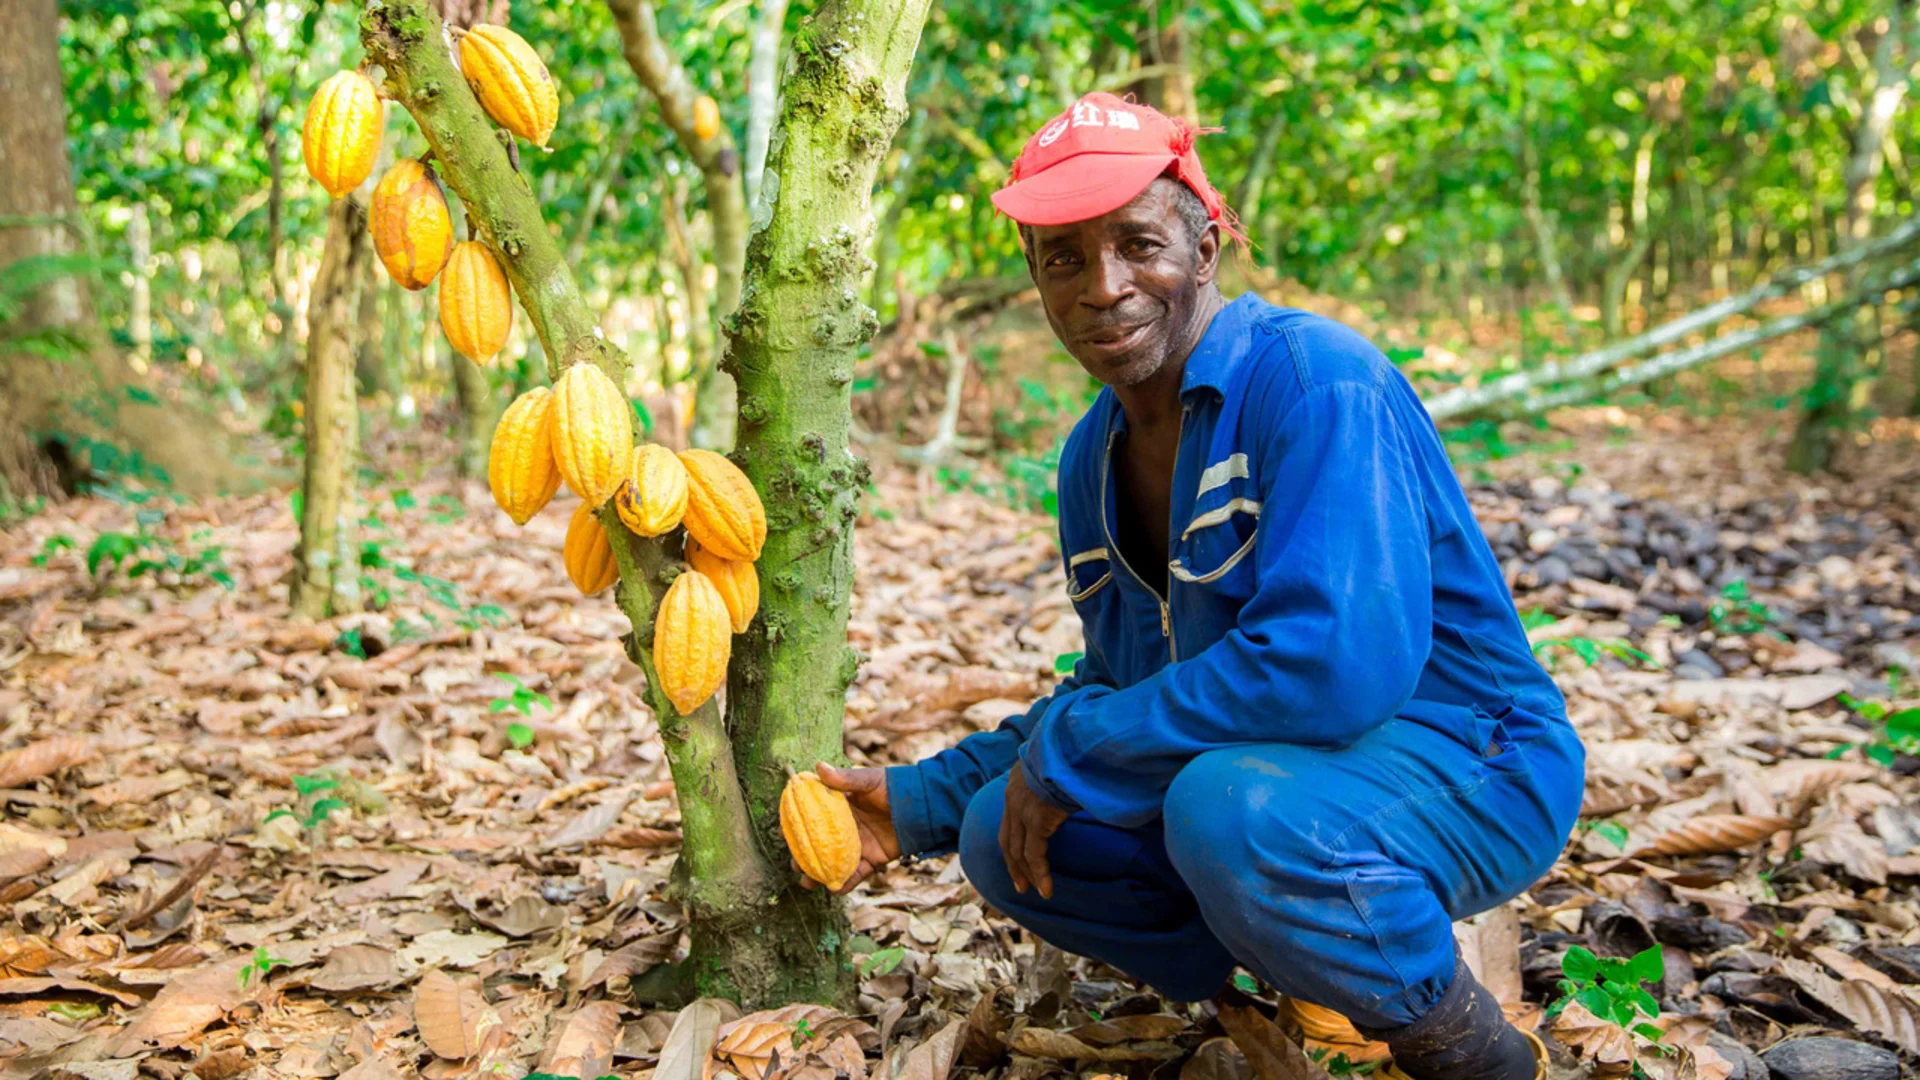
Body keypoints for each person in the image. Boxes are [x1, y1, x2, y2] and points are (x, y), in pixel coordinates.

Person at [805, 91, 1586, 1080]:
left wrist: (1079, 750)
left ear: (1206, 247)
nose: (1103, 286)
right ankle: (1309, 977)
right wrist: (913, 801)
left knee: (1226, 808)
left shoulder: (1313, 380)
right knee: (999, 835)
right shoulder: (1092, 457)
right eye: (1063, 259)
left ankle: (1472, 1049)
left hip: (1476, 759)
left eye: (1139, 245)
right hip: (1296, 776)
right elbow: (1117, 689)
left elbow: (1335, 667)